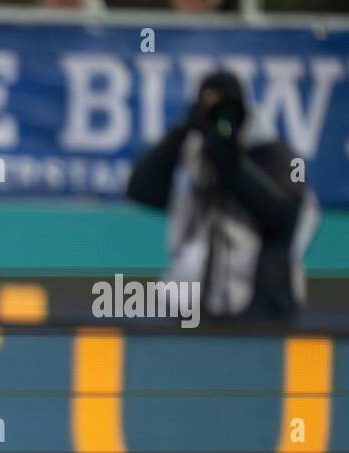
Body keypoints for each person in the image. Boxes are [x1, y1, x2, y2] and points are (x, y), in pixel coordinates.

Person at [126, 69, 319, 322]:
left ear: (245, 112)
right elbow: (140, 191)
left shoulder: (281, 157)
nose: (222, 124)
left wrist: (231, 165)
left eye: (228, 114)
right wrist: (182, 131)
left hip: (264, 306)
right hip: (195, 302)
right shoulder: (194, 155)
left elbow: (285, 219)